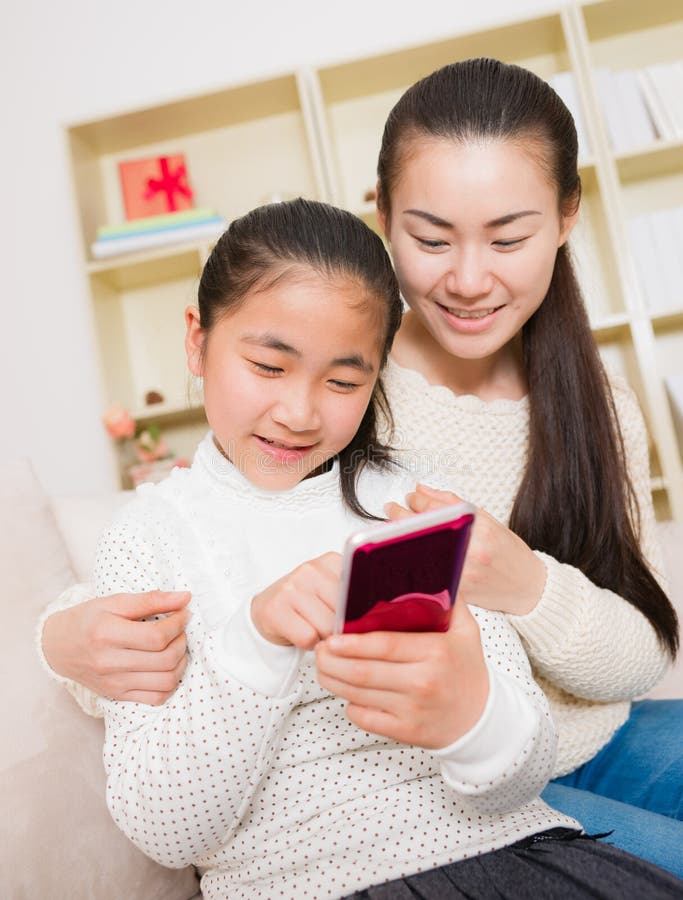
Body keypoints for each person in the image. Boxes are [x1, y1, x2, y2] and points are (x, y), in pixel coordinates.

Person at [39, 59, 683, 873]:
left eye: (509, 237)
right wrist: (56, 637)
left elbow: (641, 649)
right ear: (380, 214)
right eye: (430, 236)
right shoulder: (341, 400)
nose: (469, 278)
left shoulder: (599, 403)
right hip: (456, 784)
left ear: (564, 218)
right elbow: (202, 543)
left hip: (557, 739)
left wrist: (516, 580)